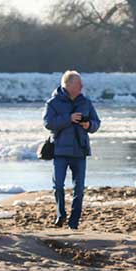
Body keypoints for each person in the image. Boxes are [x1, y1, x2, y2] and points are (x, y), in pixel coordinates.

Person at [43, 70, 100, 230]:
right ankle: (61, 214)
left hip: (80, 151)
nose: (82, 86)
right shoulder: (53, 103)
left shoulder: (86, 102)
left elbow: (96, 122)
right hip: (60, 151)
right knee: (58, 186)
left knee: (79, 189)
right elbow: (48, 123)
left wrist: (89, 125)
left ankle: (73, 223)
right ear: (68, 85)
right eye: (78, 83)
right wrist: (68, 119)